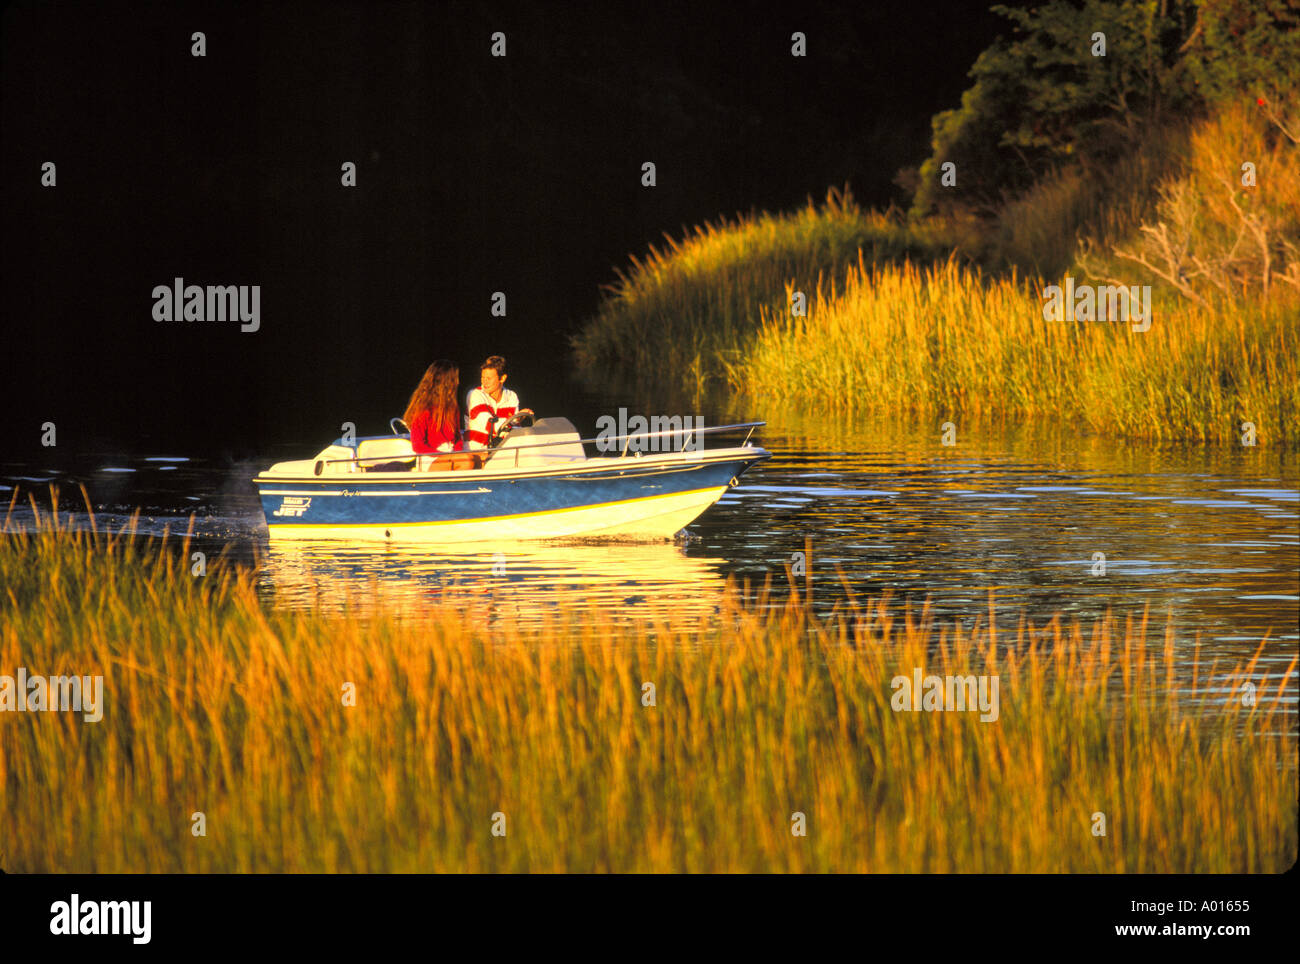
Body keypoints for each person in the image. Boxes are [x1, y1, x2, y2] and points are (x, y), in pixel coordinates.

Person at [403, 360, 481, 470]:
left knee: (483, 458)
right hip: (430, 459)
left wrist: (456, 453)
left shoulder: (453, 407)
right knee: (466, 461)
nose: (458, 382)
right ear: (446, 382)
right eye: (455, 379)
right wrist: (446, 455)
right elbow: (418, 446)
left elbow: (457, 438)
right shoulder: (423, 409)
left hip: (451, 455)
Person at [465, 355, 534, 451]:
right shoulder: (474, 395)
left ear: (502, 378)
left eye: (488, 378)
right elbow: (489, 424)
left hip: (501, 451)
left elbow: (513, 428)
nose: (484, 382)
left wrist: (519, 421)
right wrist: (516, 419)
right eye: (482, 377)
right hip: (477, 452)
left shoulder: (511, 396)